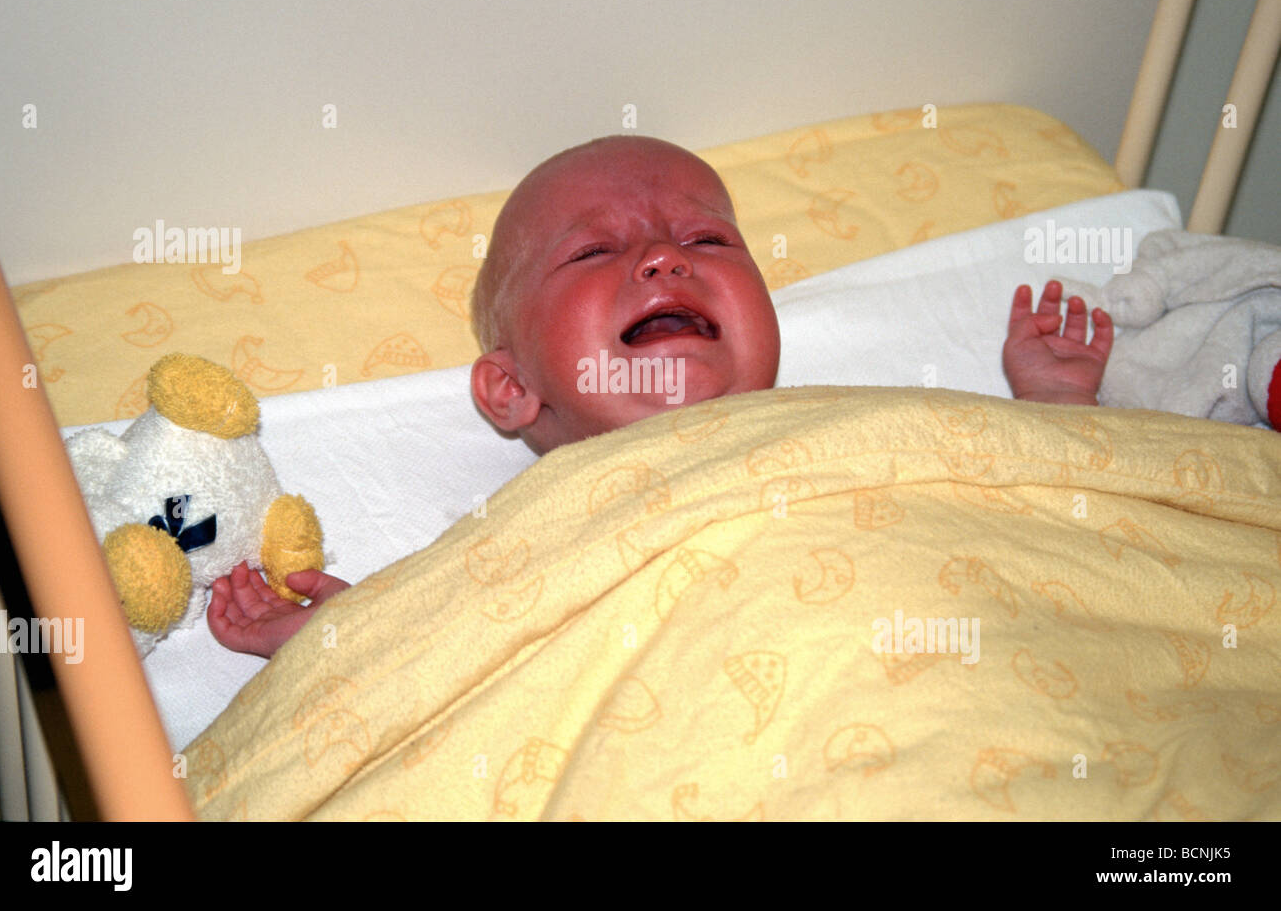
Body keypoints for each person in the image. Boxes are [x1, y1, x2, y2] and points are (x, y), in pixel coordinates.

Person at [210, 134, 1113, 657]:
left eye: (707, 240)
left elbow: (1024, 534)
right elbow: (459, 640)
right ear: (511, 387)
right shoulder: (529, 521)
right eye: (593, 252)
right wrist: (337, 641)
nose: (663, 256)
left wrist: (1055, 417)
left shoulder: (855, 424)